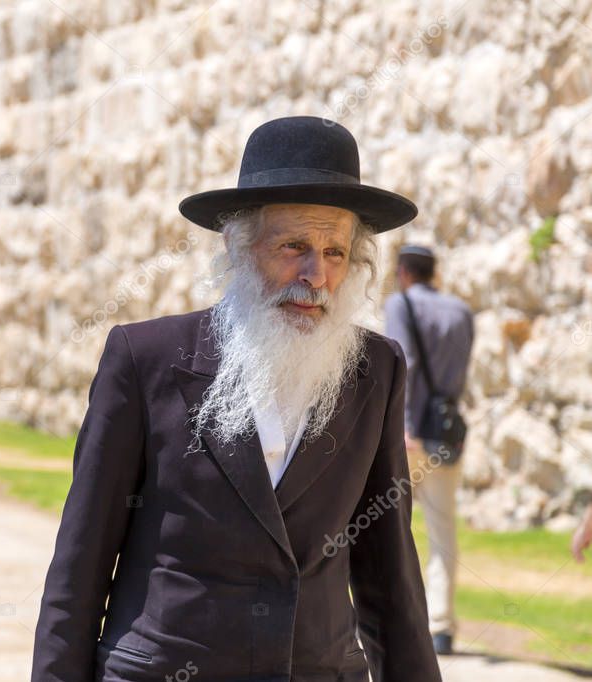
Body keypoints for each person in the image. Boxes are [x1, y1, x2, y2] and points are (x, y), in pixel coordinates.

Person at [31, 117, 440, 682]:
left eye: (335, 252)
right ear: (238, 246)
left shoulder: (377, 369)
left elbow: (389, 570)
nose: (315, 274)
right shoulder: (143, 358)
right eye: (293, 246)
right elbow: (80, 566)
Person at [384, 244, 474, 656]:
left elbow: (405, 363)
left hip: (410, 433)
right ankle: (441, 627)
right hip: (446, 432)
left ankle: (394, 620)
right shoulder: (461, 311)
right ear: (434, 273)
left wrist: (400, 425)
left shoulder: (400, 304)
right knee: (442, 531)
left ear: (403, 272)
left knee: (385, 528)